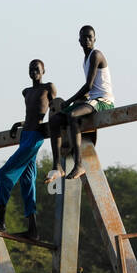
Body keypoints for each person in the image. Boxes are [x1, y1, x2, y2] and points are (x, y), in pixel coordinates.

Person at [0, 59, 56, 240]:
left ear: (43, 71)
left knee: (4, 174)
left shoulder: (48, 88)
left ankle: (1, 221)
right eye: (31, 69)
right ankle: (33, 230)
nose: (34, 72)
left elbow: (55, 110)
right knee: (27, 182)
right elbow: (31, 114)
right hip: (25, 135)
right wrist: (18, 124)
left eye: (37, 69)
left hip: (34, 137)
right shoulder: (26, 92)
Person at [48, 25, 115, 181]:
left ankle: (79, 165)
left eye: (89, 37)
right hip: (92, 100)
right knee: (55, 120)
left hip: (104, 101)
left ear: (95, 39)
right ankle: (57, 166)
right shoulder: (85, 59)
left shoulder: (95, 55)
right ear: (79, 40)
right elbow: (88, 90)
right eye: (84, 37)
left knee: (72, 115)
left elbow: (89, 86)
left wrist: (70, 101)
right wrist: (78, 101)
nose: (86, 40)